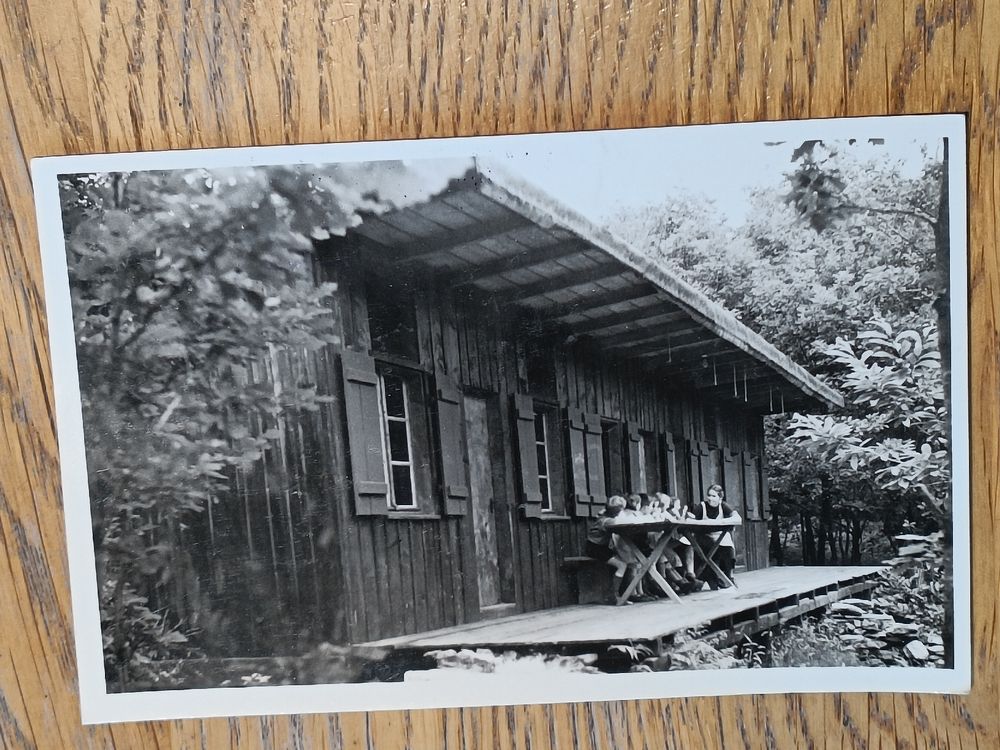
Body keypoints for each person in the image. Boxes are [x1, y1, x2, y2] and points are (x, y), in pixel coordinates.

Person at [585, 495, 640, 602]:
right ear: (617, 510)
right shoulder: (608, 521)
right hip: (595, 549)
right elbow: (624, 524)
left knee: (625, 561)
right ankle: (614, 596)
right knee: (622, 565)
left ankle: (623, 594)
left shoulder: (604, 516)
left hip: (600, 547)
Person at [689, 484, 741, 589]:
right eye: (709, 495)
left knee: (728, 548)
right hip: (704, 535)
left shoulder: (724, 506)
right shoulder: (702, 506)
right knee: (709, 550)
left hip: (720, 534)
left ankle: (729, 577)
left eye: (713, 496)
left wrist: (719, 521)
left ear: (720, 498)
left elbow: (738, 518)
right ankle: (713, 578)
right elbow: (691, 520)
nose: (710, 498)